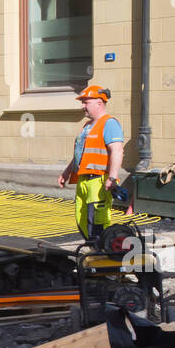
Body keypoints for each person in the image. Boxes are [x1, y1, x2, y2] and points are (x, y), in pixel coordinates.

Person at [58, 85, 125, 241]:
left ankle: (102, 252)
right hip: (83, 180)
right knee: (82, 219)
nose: (83, 106)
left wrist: (113, 177)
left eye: (86, 102)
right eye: (82, 102)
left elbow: (117, 151)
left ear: (99, 103)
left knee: (96, 221)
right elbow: (80, 153)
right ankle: (93, 249)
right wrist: (67, 172)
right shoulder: (87, 126)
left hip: (98, 181)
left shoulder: (109, 123)